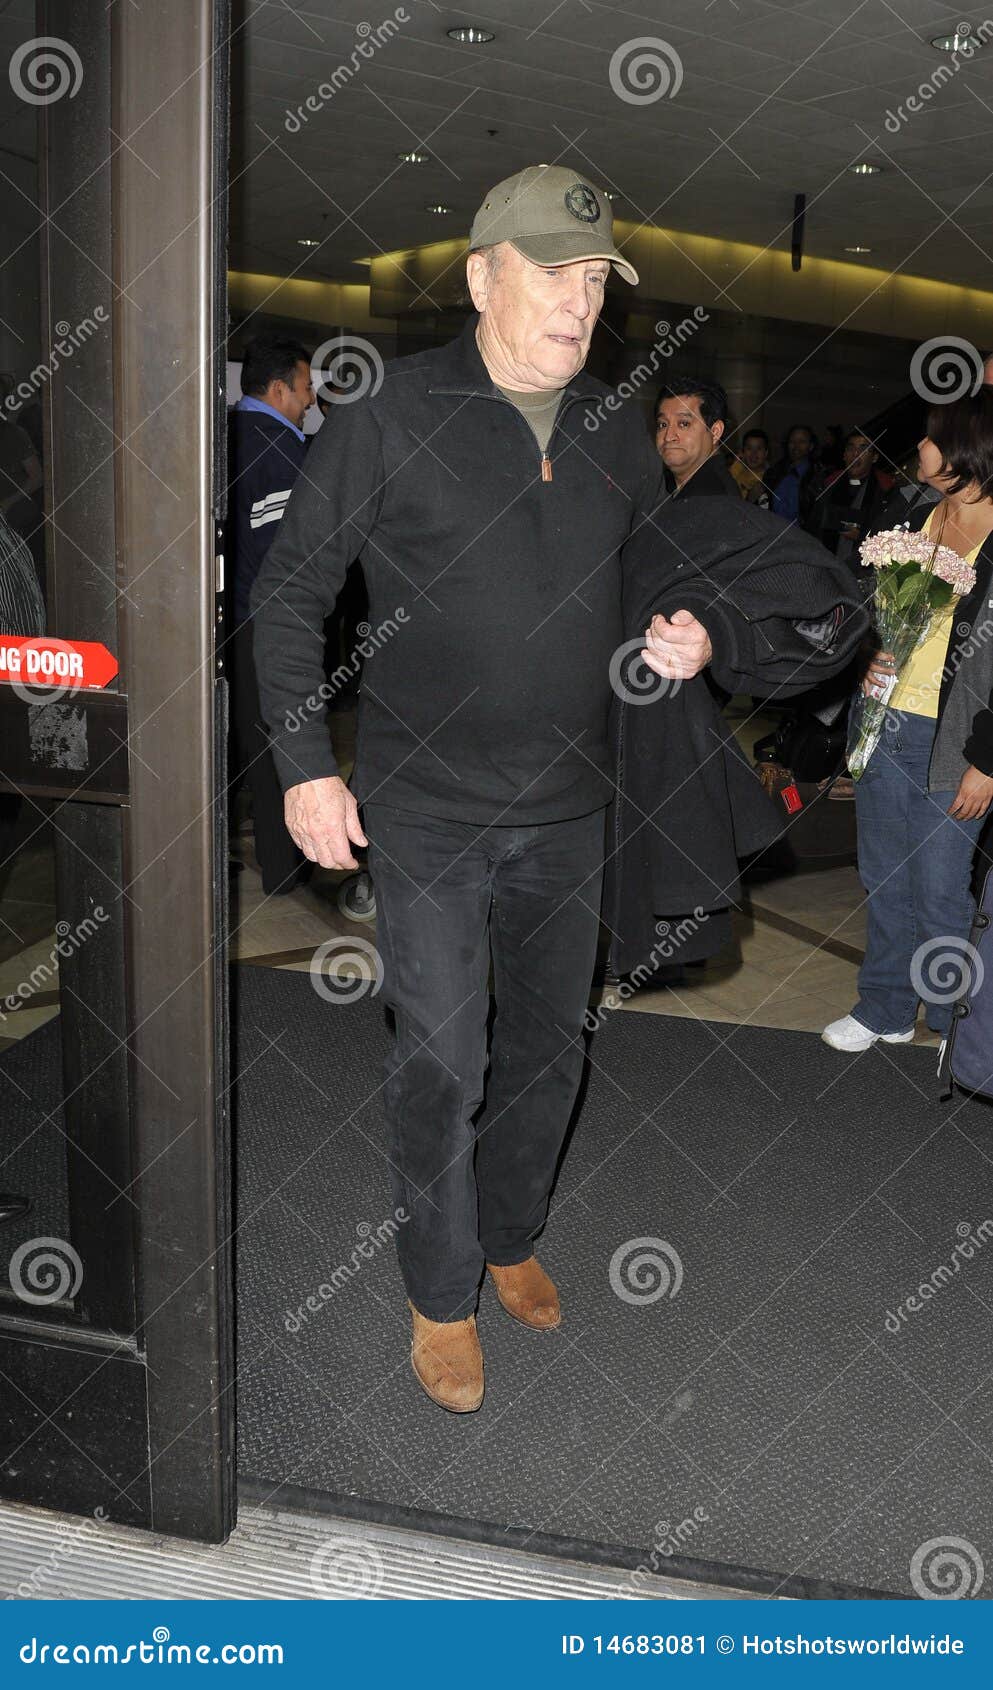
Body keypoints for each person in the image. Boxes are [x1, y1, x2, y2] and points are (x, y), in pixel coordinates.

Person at [822, 388, 993, 1052]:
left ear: (966, 448)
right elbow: (859, 602)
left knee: (942, 886)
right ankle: (885, 1005)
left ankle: (953, 1022)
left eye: (930, 436)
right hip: (885, 723)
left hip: (959, 739)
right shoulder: (909, 511)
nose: (918, 448)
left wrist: (987, 760)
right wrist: (863, 654)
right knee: (883, 871)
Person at [226, 332, 315, 894]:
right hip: (270, 622)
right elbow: (284, 554)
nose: (310, 401)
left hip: (230, 616)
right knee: (281, 744)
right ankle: (286, 869)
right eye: (305, 389)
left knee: (242, 738)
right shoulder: (280, 451)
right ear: (279, 388)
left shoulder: (226, 433)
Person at [818, 429, 892, 568]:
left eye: (863, 449)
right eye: (851, 448)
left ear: (874, 457)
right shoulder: (828, 484)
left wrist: (862, 536)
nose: (855, 454)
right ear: (844, 455)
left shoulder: (885, 490)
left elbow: (889, 535)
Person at [654, 376, 739, 498]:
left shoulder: (715, 495)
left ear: (715, 431)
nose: (668, 437)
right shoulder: (663, 486)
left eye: (684, 424)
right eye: (663, 424)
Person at [768, 422, 822, 531]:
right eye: (792, 441)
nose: (796, 446)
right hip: (772, 532)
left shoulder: (816, 477)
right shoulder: (775, 472)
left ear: (811, 446)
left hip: (800, 537)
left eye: (802, 442)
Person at [729, 428, 772, 505]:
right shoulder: (736, 469)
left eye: (759, 449)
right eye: (749, 448)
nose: (753, 454)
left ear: (766, 453)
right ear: (743, 451)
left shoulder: (770, 478)